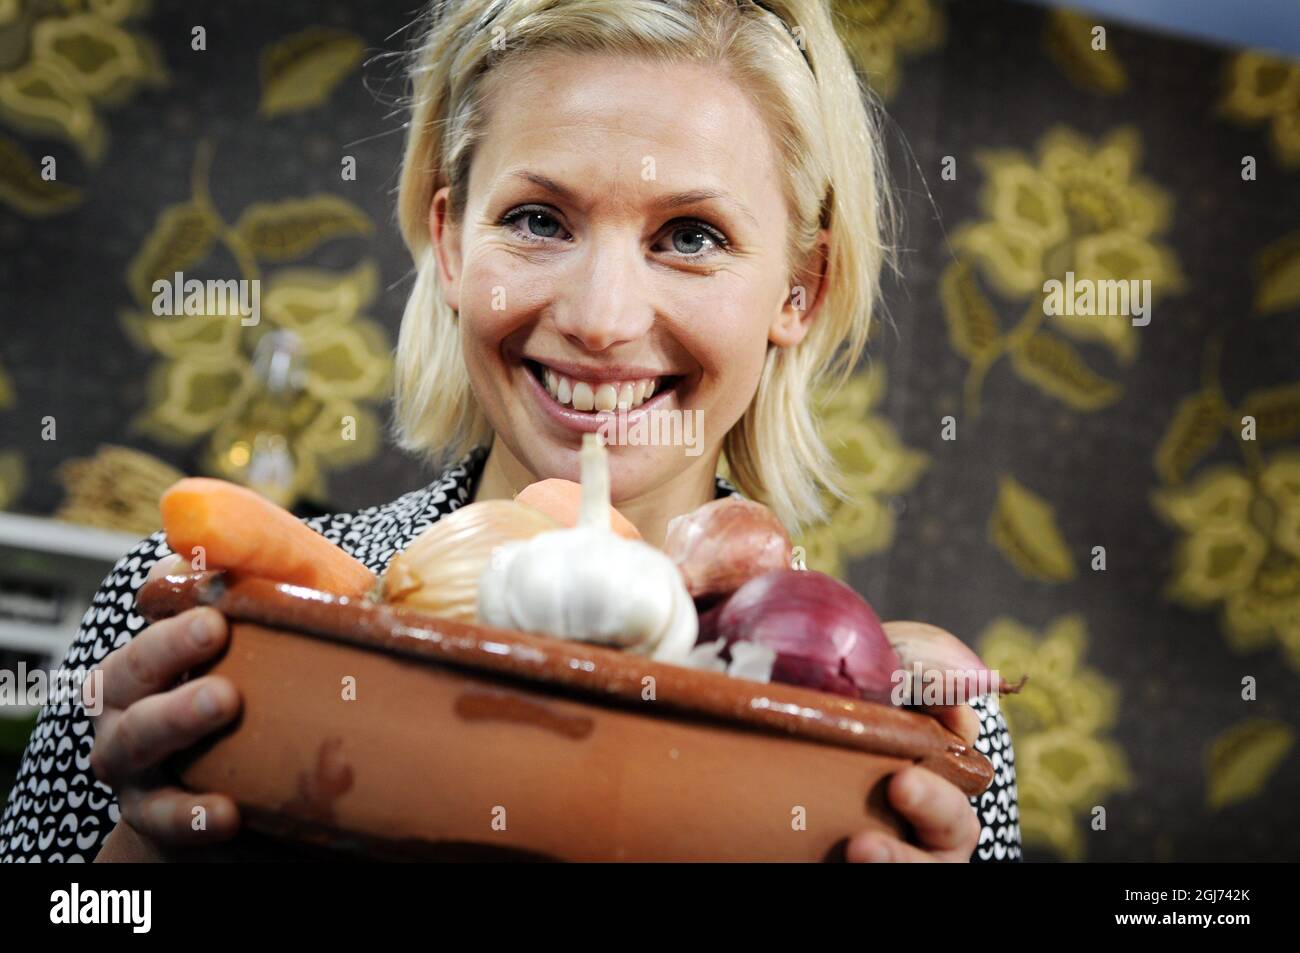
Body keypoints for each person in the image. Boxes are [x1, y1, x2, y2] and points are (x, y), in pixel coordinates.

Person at [0, 0, 1020, 863]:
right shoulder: (183, 624)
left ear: (800, 289)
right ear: (448, 242)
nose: (602, 317)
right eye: (538, 219)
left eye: (691, 235)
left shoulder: (902, 738)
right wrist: (136, 862)